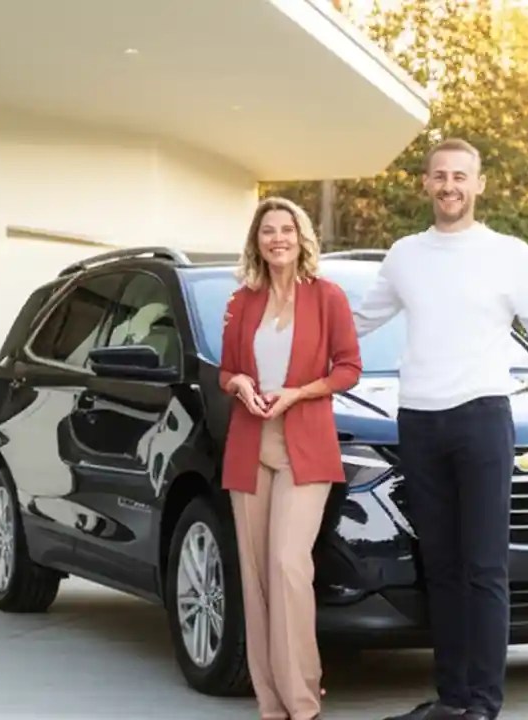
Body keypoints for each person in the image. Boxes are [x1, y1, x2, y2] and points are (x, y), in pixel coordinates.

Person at [353, 138, 528, 720]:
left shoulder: (508, 254)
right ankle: (452, 699)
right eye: (440, 176)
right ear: (425, 184)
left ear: (478, 186)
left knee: (483, 567)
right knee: (442, 567)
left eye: (460, 176)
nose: (450, 185)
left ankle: (482, 703)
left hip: (481, 420)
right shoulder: (404, 255)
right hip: (419, 423)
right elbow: (356, 321)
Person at [219, 196, 363, 720]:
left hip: (304, 442)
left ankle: (303, 701)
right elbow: (226, 371)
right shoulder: (242, 300)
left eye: (286, 229)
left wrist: (298, 393)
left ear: (301, 238)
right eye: (267, 231)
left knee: (287, 565)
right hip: (249, 443)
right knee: (256, 577)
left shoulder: (327, 296)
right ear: (256, 242)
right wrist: (238, 382)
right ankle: (271, 704)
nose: (277, 238)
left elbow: (349, 367)